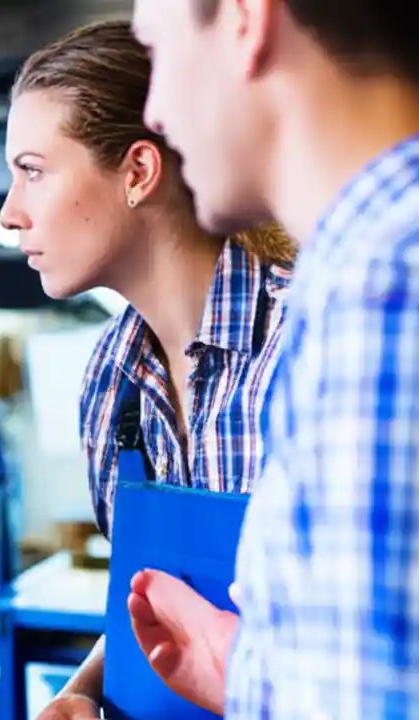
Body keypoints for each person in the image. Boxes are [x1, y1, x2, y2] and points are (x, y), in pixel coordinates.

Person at [0, 20, 296, 720]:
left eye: (33, 171)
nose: (11, 214)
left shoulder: (306, 344)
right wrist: (81, 694)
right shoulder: (111, 379)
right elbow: (147, 602)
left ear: (137, 171)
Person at [127, 0, 419, 716]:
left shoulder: (382, 295)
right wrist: (254, 672)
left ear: (245, 19)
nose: (157, 112)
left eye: (158, 52)